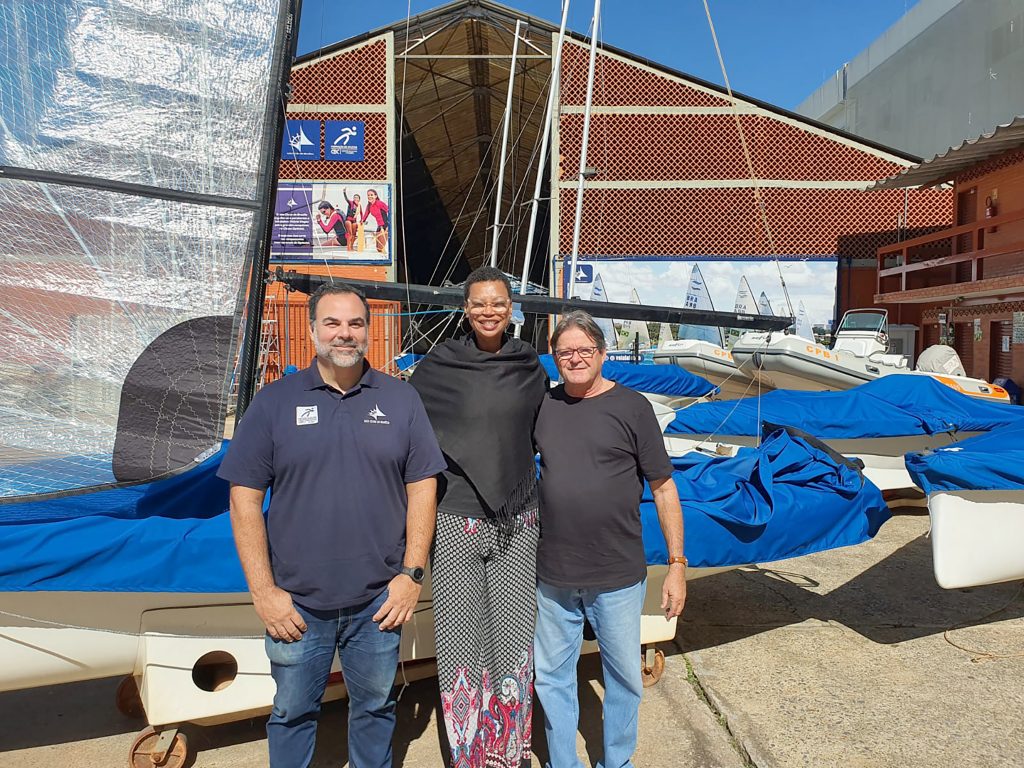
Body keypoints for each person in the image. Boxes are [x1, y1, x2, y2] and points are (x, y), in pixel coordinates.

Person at [217, 284, 446, 768]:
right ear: (313, 328)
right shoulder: (274, 403)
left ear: (368, 329)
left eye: (356, 323)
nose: (345, 334)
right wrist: (263, 591)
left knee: (376, 707)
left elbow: (423, 487)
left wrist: (412, 576)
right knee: (293, 712)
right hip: (297, 603)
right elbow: (244, 497)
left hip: (378, 602)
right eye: (333, 323)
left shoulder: (401, 400)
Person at [533, 310, 686, 768]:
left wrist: (677, 565)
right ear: (554, 358)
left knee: (623, 679)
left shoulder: (633, 407)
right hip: (554, 574)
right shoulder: (543, 405)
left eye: (584, 350)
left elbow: (663, 488)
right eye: (565, 352)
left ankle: (616, 761)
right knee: (552, 678)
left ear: (602, 354)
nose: (575, 359)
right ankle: (564, 762)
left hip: (617, 574)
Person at [409, 266, 548, 768]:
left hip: (517, 521)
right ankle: (470, 755)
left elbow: (546, 431)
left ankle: (508, 752)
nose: (489, 311)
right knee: (460, 640)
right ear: (464, 310)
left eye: (498, 303)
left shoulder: (528, 364)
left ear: (511, 309)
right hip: (454, 522)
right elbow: (407, 434)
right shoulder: (438, 367)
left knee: (513, 640)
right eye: (479, 303)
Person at [361, 188, 389, 253]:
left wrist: (389, 225)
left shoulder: (380, 203)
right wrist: (361, 222)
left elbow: (390, 212)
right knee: (378, 248)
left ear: (376, 196)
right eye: (368, 195)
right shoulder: (369, 206)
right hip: (379, 226)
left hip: (386, 226)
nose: (369, 196)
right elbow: (365, 216)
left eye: (371, 195)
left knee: (381, 247)